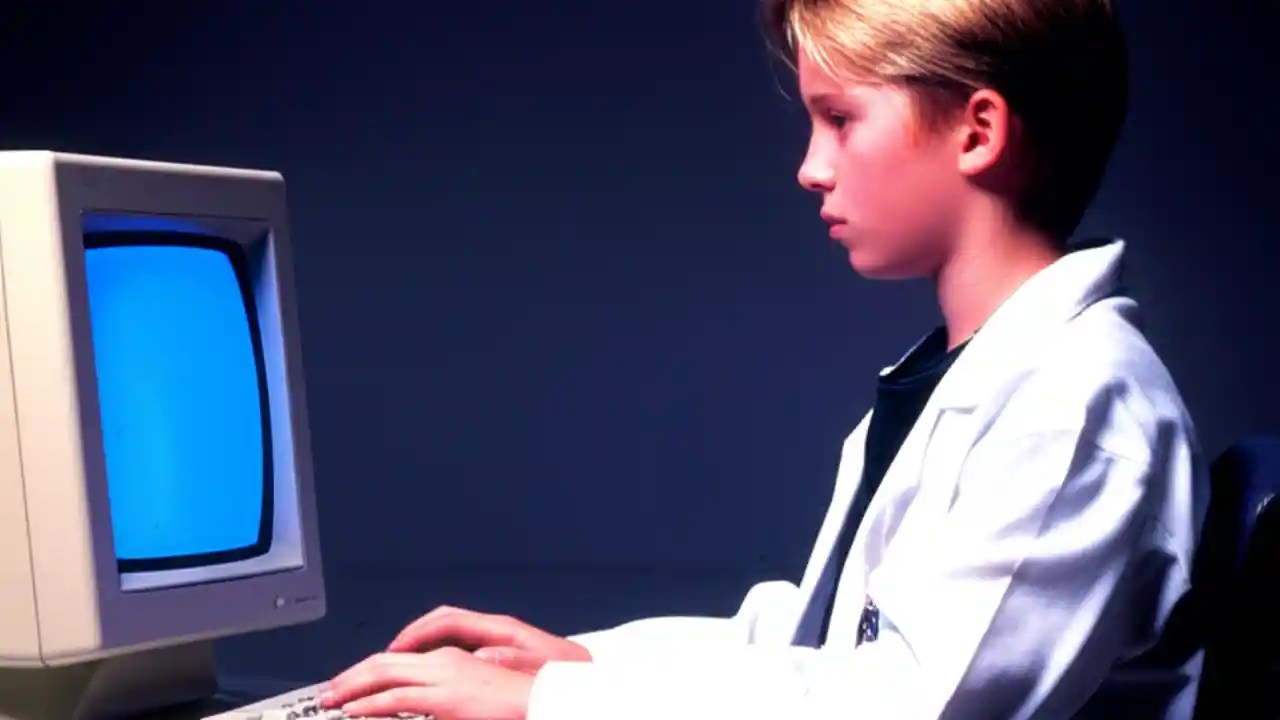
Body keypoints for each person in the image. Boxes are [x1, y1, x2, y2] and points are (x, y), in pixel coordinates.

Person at [318, 0, 1208, 717]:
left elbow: (910, 706)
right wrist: (587, 660)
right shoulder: (969, 373)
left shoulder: (1073, 404)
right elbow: (820, 647)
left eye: (839, 118)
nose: (810, 169)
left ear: (978, 130)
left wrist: (550, 702)